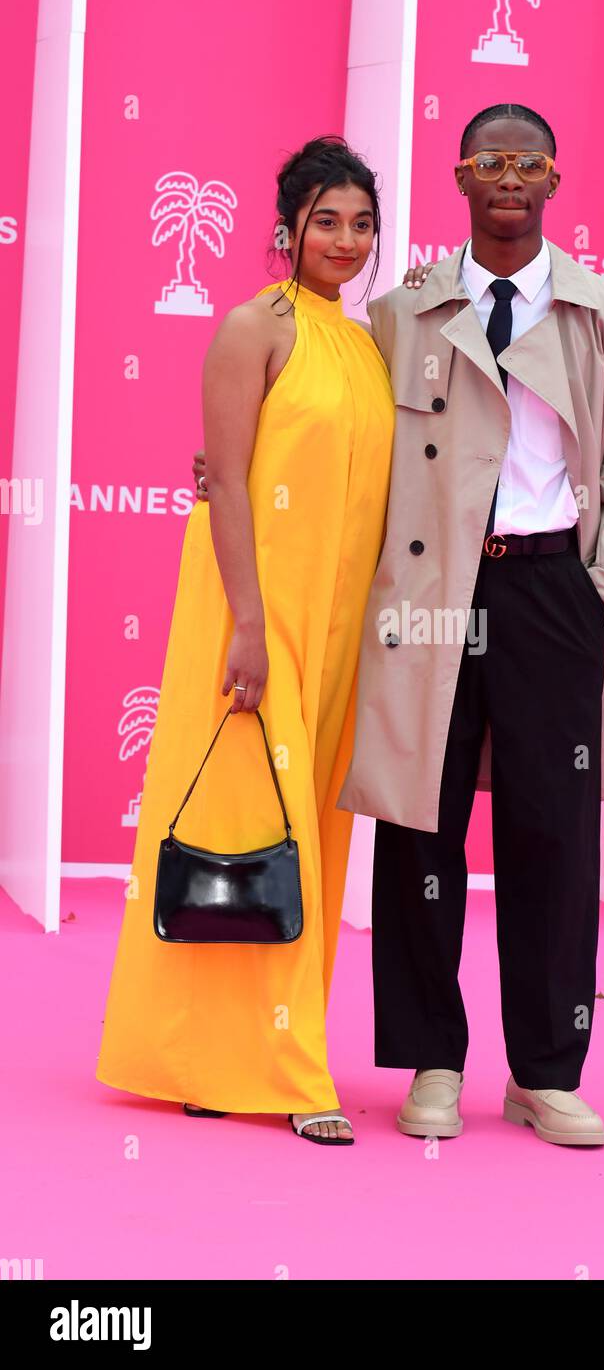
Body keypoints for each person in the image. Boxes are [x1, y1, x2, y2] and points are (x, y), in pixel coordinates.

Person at [334, 103, 604, 1145]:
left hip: (545, 593)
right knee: (418, 827)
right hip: (431, 600)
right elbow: (351, 448)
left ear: (555, 178)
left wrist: (598, 591)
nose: (509, 177)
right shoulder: (404, 313)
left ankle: (544, 1070)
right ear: (460, 176)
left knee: (552, 839)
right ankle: (432, 1058)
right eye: (491, 161)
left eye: (528, 162)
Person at [96, 136, 395, 1145]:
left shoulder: (362, 344)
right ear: (288, 227)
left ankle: (218, 1058)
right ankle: (290, 1073)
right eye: (326, 220)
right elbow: (225, 480)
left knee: (299, 833)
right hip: (255, 613)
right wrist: (251, 627)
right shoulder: (250, 328)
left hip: (339, 621)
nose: (344, 240)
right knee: (249, 827)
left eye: (360, 222)